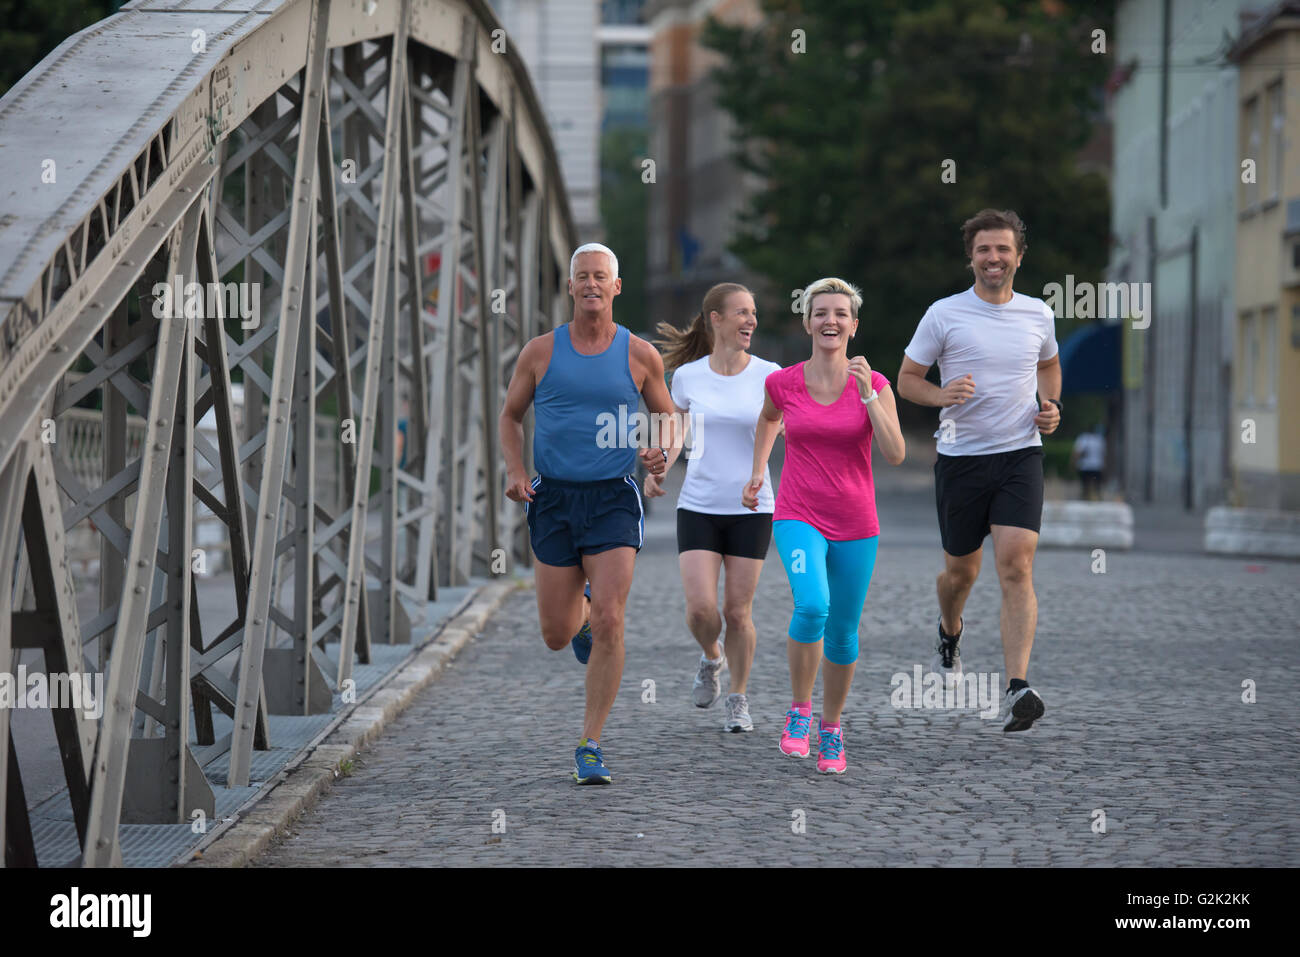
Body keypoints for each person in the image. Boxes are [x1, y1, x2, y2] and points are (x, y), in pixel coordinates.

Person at [499, 242, 675, 784]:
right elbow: (510, 416)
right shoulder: (540, 352)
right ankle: (579, 624)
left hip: (615, 497)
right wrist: (513, 470)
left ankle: (590, 743)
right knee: (556, 633)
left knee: (611, 620)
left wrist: (660, 455)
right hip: (552, 498)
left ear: (616, 287)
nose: (592, 284)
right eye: (583, 277)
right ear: (571, 287)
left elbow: (668, 416)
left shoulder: (640, 354)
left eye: (602, 276)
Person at [896, 208, 1061, 733]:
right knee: (960, 573)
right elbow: (906, 379)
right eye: (984, 249)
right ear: (971, 257)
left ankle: (1018, 687)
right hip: (962, 459)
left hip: (1020, 455)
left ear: (1019, 255)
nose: (994, 258)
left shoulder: (1038, 313)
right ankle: (950, 631)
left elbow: (1049, 364)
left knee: (1017, 565)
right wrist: (942, 395)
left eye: (1003, 249)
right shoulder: (944, 314)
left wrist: (1050, 404)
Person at [744, 278, 905, 773]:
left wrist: (868, 398)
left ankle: (831, 729)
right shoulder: (783, 382)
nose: (830, 321)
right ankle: (799, 712)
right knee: (812, 604)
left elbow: (896, 453)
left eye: (840, 313)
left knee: (842, 635)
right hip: (798, 515)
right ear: (807, 322)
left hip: (857, 523)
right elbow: (769, 419)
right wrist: (757, 472)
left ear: (854, 326)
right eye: (820, 313)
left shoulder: (874, 384)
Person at [646, 283, 782, 732]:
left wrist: (759, 473)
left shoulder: (769, 375)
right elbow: (677, 429)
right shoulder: (688, 376)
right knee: (702, 610)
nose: (751, 321)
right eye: (742, 312)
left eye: (754, 313)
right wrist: (661, 463)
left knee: (738, 612)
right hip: (700, 504)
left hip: (752, 506)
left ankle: (739, 700)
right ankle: (711, 656)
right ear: (715, 320)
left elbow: (778, 429)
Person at [1072, 424, 1105, 500]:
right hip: (1097, 466)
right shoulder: (1100, 439)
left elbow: (1077, 453)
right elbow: (1104, 454)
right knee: (1097, 488)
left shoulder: (1083, 438)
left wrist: (1073, 464)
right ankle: (1097, 500)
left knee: (1085, 487)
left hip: (1085, 467)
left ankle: (1085, 500)